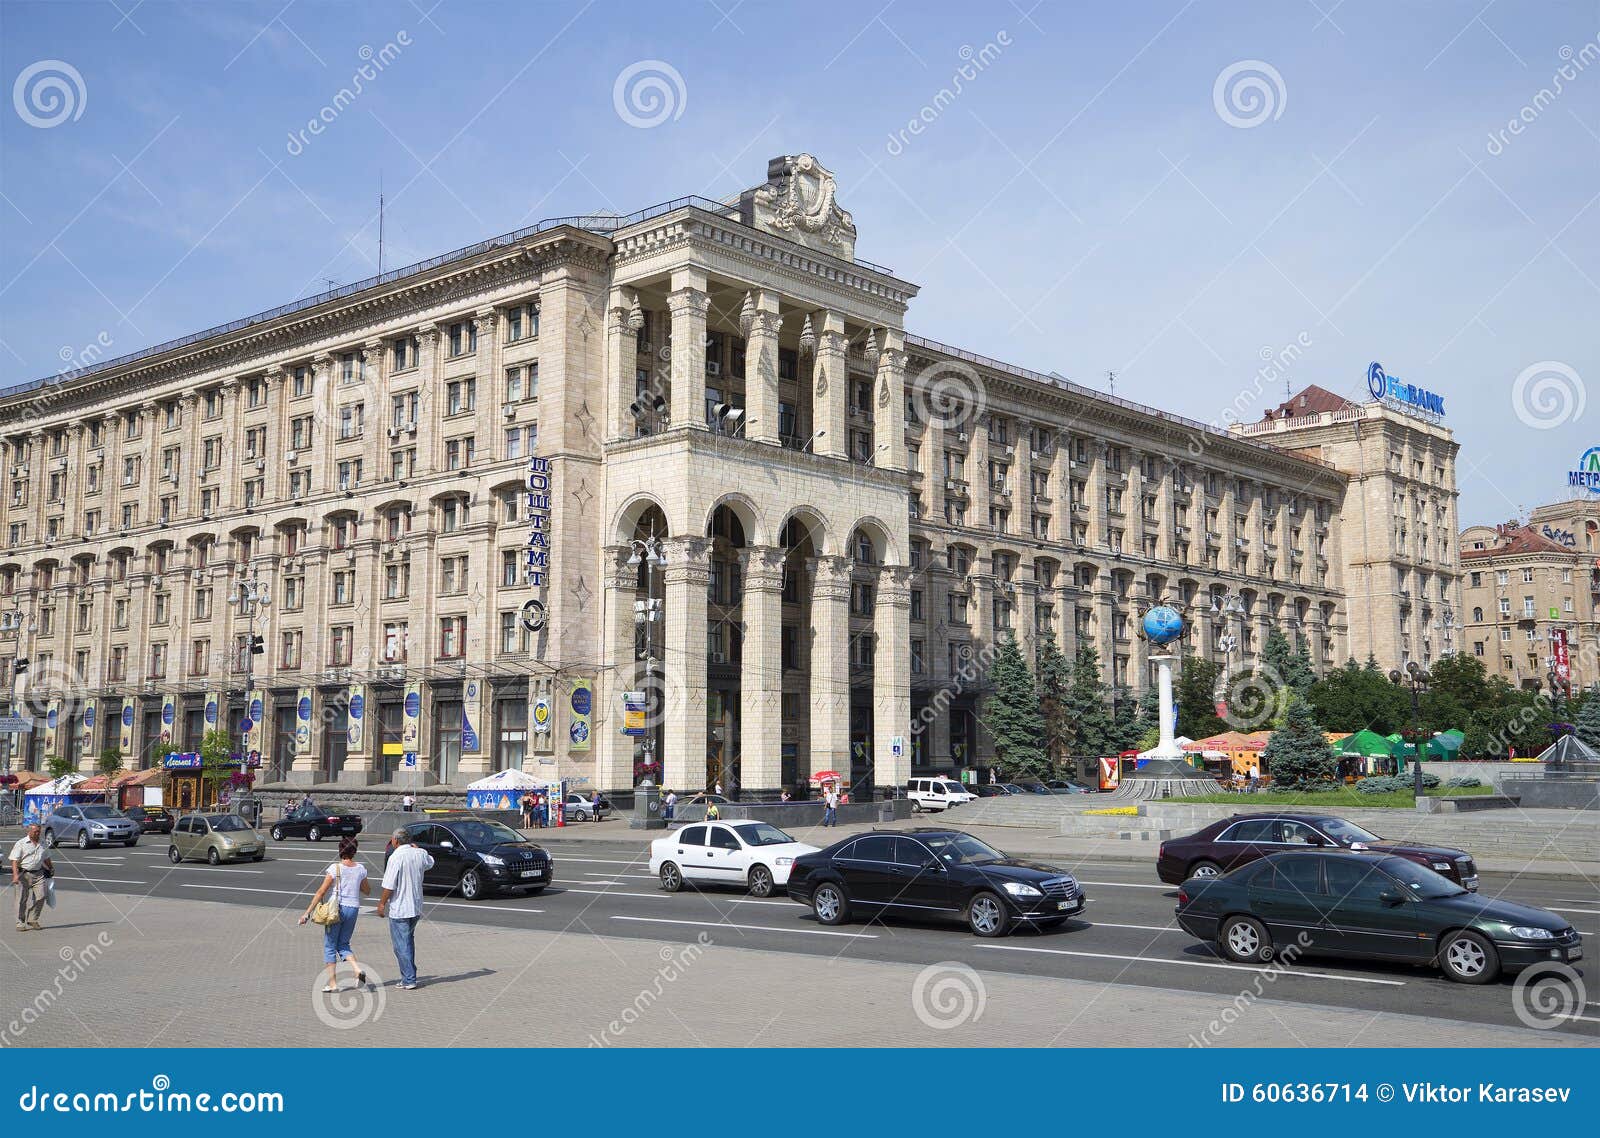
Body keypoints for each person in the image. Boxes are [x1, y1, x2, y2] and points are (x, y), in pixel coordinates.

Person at [298, 837, 371, 992]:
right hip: (353, 909)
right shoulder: (361, 869)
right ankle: (357, 970)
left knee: (330, 946)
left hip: (336, 910)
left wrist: (307, 913)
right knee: (344, 943)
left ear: (340, 850)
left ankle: (333, 984)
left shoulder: (335, 868)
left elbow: (321, 892)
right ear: (355, 851)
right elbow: (367, 891)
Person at [377, 827, 434, 990]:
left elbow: (389, 886)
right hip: (416, 906)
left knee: (400, 945)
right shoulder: (420, 853)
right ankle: (409, 974)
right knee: (408, 941)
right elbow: (430, 862)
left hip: (400, 908)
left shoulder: (396, 857)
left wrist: (381, 903)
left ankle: (409, 978)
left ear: (395, 841)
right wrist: (418, 849)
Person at [9, 822, 52, 931]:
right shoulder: (21, 843)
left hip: (38, 874)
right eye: (35, 832)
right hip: (23, 874)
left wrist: (51, 868)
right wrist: (15, 876)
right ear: (29, 832)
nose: (37, 833)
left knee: (41, 896)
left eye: (39, 831)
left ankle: (32, 919)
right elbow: (14, 861)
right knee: (21, 900)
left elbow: (46, 858)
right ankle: (20, 922)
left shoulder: (43, 843)